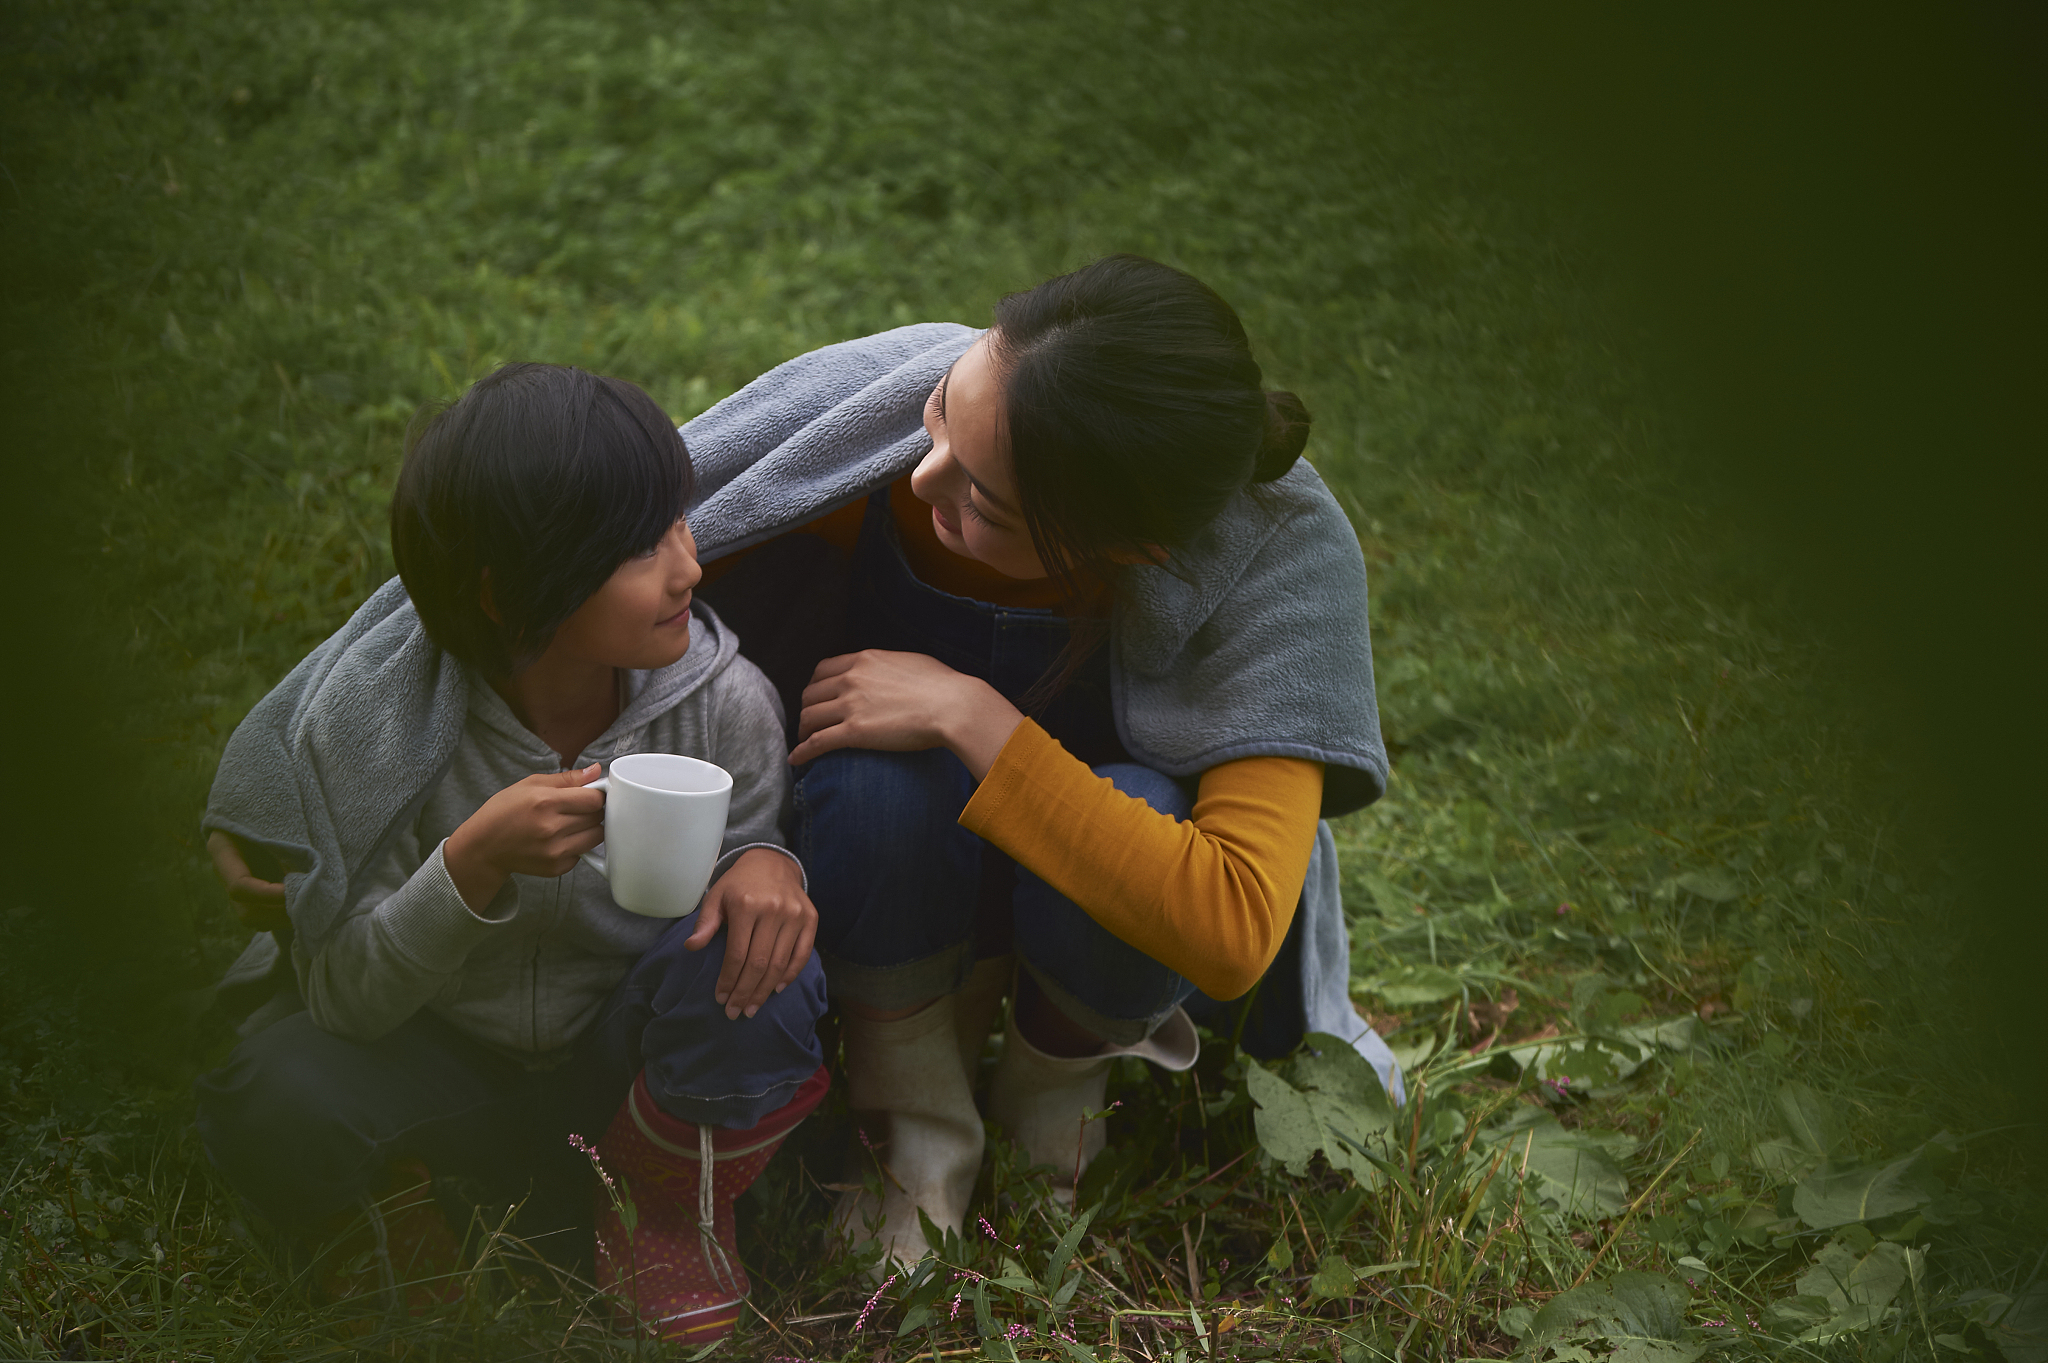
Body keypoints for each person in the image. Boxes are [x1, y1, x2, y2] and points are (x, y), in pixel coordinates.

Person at [682, 255, 1401, 1270]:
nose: (921, 476)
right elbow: (622, 566)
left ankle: (1050, 1113)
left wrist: (972, 715)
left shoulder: (1268, 554)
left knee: (1145, 799)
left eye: (984, 503)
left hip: (1096, 927)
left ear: (1134, 548)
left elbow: (1234, 924)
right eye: (937, 414)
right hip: (878, 875)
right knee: (872, 776)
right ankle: (913, 1126)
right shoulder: (877, 438)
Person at [195, 363, 829, 1345]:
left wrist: (766, 865)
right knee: (269, 1086)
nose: (688, 567)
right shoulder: (375, 725)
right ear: (507, 592)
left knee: (766, 969)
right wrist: (466, 866)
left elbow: (744, 866)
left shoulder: (723, 703)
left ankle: (659, 1206)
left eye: (678, 522)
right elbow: (343, 996)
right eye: (637, 548)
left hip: (622, 1072)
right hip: (441, 1067)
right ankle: (404, 1209)